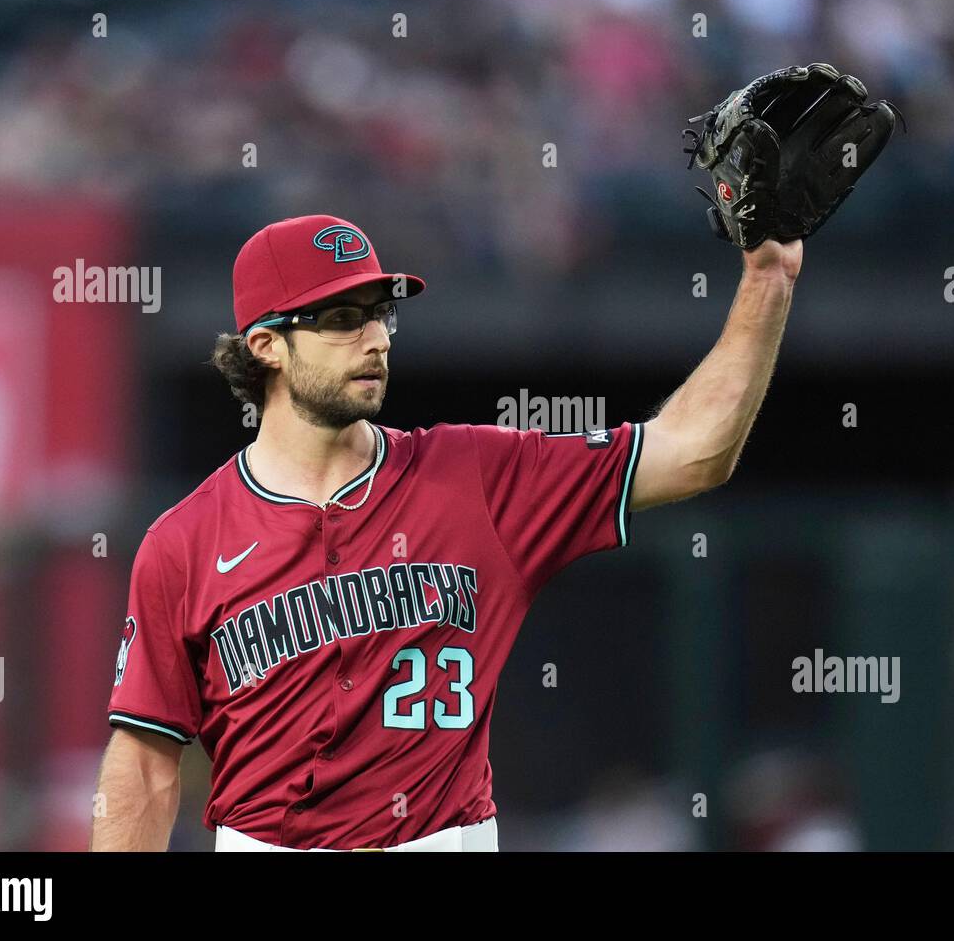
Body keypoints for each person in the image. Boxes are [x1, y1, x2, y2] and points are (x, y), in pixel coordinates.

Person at [90, 213, 803, 851]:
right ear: (266, 345)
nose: (374, 339)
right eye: (342, 317)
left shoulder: (475, 474)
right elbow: (147, 766)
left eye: (381, 315)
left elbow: (693, 451)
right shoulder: (183, 542)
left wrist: (767, 277)